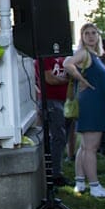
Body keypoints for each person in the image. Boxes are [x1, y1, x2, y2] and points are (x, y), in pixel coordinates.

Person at [63, 23, 105, 198]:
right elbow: (67, 63)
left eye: (94, 33)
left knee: (85, 146)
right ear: (82, 36)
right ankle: (95, 186)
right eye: (86, 33)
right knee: (91, 147)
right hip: (91, 103)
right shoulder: (84, 53)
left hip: (96, 102)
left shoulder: (95, 55)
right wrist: (81, 80)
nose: (91, 36)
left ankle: (80, 181)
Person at [36, 54, 71, 186]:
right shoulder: (45, 57)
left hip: (64, 101)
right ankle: (54, 174)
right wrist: (67, 79)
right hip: (51, 101)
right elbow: (50, 78)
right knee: (58, 137)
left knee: (62, 137)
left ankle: (56, 169)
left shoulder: (63, 57)